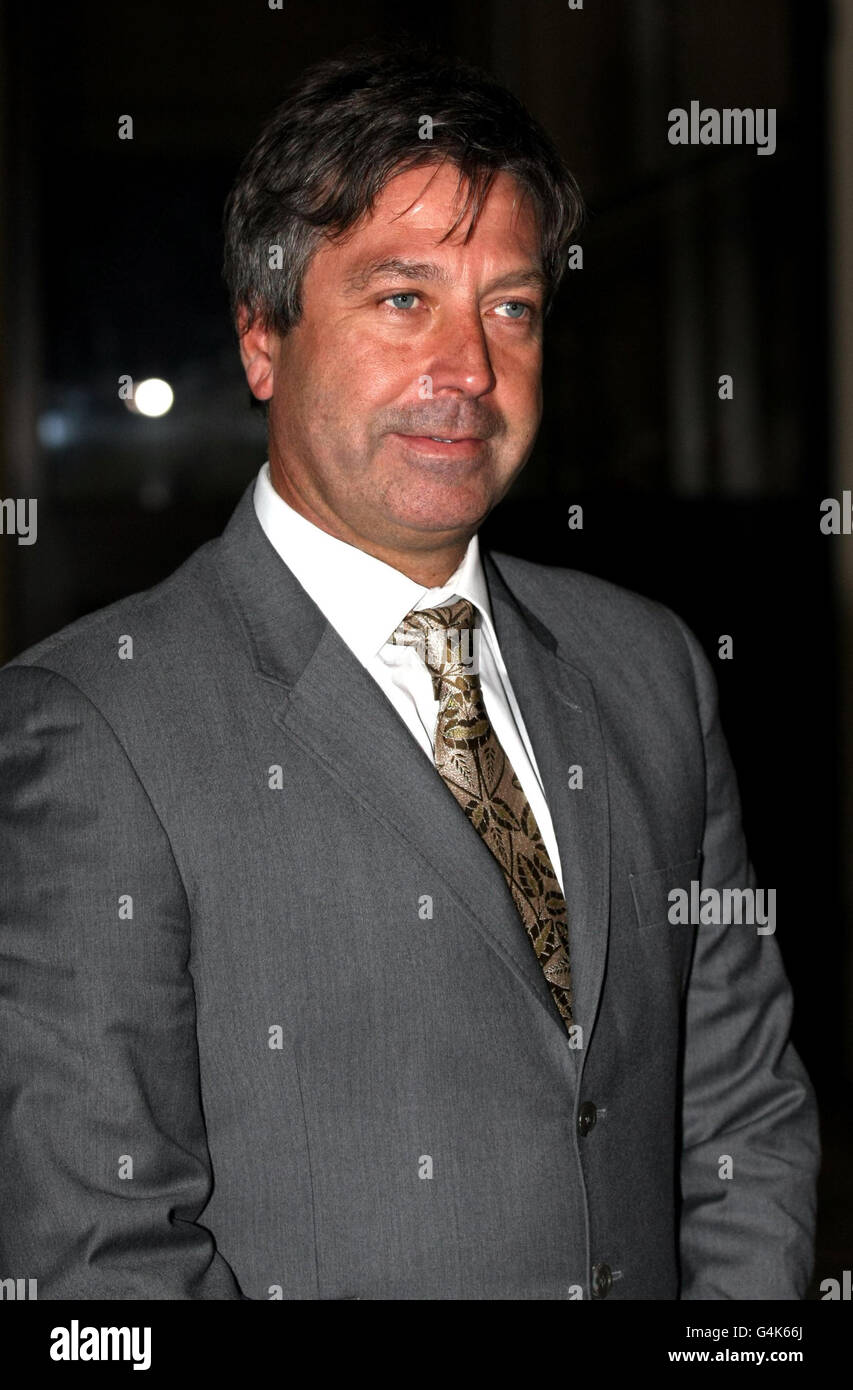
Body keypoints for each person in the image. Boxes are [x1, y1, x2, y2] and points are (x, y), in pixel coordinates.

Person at [0, 40, 819, 1300]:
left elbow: (741, 1111)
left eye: (511, 306)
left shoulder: (650, 665)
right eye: (402, 298)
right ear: (263, 338)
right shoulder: (94, 728)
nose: (471, 371)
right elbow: (100, 1265)